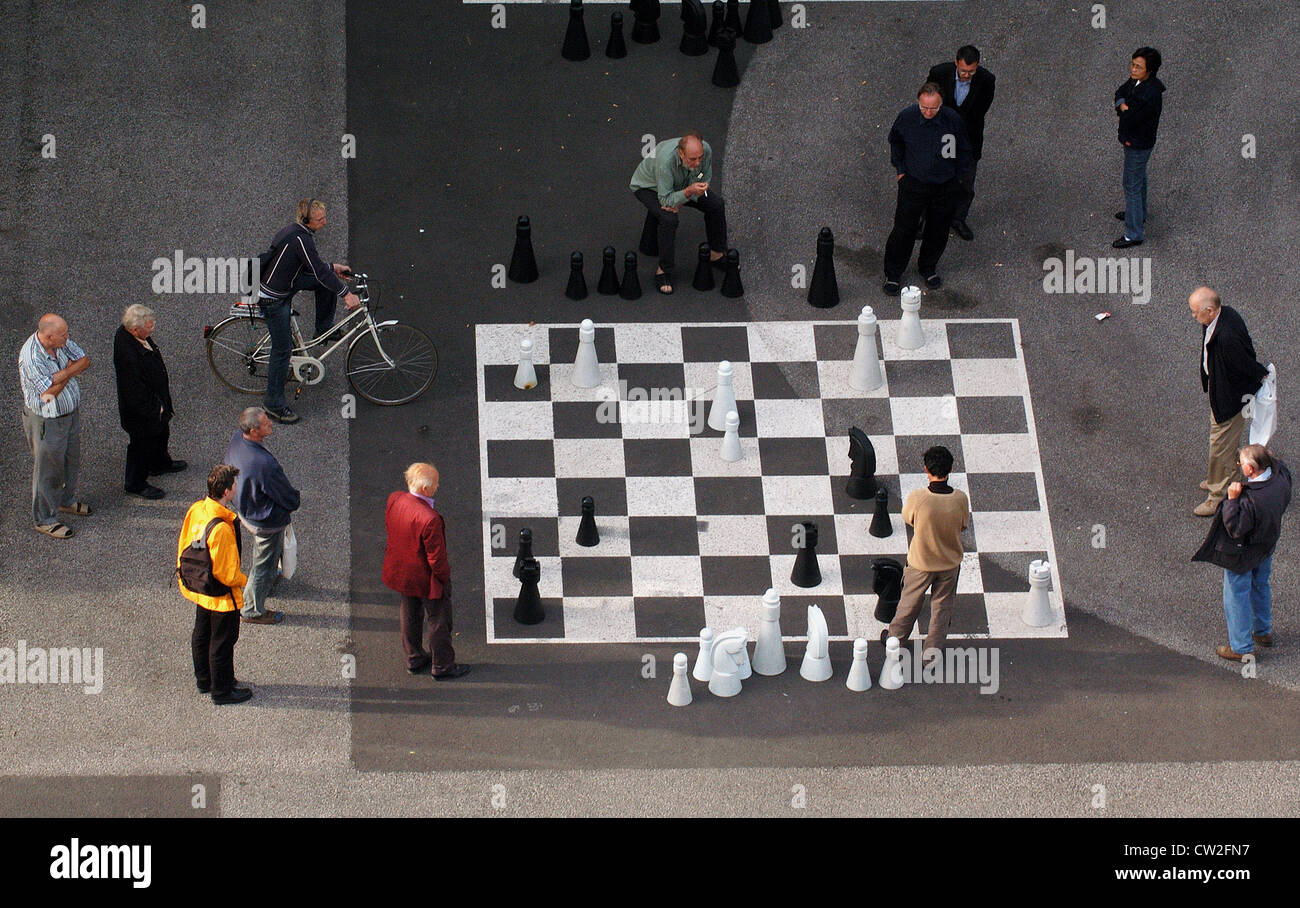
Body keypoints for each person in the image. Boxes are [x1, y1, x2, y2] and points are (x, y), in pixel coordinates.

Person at [255, 198, 361, 424]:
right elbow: (318, 270)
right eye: (320, 219)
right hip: (274, 298)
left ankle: (324, 328)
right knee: (282, 351)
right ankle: (273, 403)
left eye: (324, 217)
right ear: (306, 220)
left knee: (326, 283)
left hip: (287, 282)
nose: (324, 222)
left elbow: (315, 267)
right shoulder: (302, 240)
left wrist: (333, 268)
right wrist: (347, 294)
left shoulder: (294, 231)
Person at [1193, 445, 1291, 661]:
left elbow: (1235, 528)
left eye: (1240, 463)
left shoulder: (1249, 500)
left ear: (1249, 470)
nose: (1239, 466)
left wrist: (1233, 499)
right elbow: (1279, 465)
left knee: (1236, 594)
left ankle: (1241, 647)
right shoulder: (1280, 478)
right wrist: (1267, 457)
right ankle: (1262, 631)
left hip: (1242, 554)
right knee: (1260, 584)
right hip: (1266, 545)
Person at [382, 463, 470, 679]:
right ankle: (442, 665)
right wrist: (444, 579)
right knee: (439, 620)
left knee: (409, 612)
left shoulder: (395, 499)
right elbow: (437, 559)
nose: (437, 487)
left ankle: (414, 657)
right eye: (435, 484)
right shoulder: (430, 519)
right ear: (425, 490)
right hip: (426, 578)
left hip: (402, 571)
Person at [882, 83, 972, 295]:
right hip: (914, 183)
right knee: (904, 229)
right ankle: (893, 274)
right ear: (918, 102)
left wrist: (958, 177)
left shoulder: (953, 120)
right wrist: (901, 170)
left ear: (941, 104)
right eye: (924, 107)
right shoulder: (907, 117)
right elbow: (896, 141)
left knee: (938, 229)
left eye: (933, 108)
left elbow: (965, 150)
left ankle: (928, 267)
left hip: (945, 185)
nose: (928, 112)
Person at [1189, 287, 1269, 517]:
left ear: (1210, 311)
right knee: (1225, 442)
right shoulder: (1225, 316)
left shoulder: (1227, 337)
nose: (1195, 317)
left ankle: (1216, 494)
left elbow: (1243, 363)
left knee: (1219, 447)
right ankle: (1225, 475)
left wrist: (1261, 375)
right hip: (1224, 394)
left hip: (1228, 400)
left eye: (1197, 313)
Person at [883, 446, 971, 652]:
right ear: (951, 468)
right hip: (949, 564)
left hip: (921, 563)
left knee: (909, 605)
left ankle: (895, 641)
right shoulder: (960, 498)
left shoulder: (918, 498)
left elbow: (908, 518)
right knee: (942, 609)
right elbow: (963, 524)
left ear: (926, 469)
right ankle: (932, 653)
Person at [179, 465, 252, 704]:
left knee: (202, 634)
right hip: (221, 596)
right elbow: (227, 574)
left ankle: (204, 680)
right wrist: (246, 580)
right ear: (228, 491)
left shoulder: (197, 509)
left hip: (201, 587)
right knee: (222, 643)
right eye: (234, 485)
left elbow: (184, 542)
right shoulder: (221, 528)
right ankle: (222, 690)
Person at [19, 313, 92, 539]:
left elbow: (85, 361)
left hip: (69, 414)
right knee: (48, 470)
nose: (68, 338)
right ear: (49, 337)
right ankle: (44, 519)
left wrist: (62, 375)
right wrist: (71, 372)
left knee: (71, 461)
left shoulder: (59, 340)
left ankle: (65, 501)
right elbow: (47, 396)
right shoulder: (31, 358)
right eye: (63, 335)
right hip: (47, 420)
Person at [629, 132, 728, 295]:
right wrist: (687, 192)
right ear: (681, 154)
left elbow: (704, 174)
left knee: (716, 205)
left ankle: (716, 254)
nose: (697, 162)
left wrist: (688, 191)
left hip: (685, 185)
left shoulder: (706, 151)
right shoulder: (666, 164)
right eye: (692, 159)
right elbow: (665, 199)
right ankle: (664, 270)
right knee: (669, 220)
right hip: (651, 187)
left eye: (700, 158)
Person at [224, 407, 298, 624]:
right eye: (266, 423)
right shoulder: (264, 464)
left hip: (246, 510)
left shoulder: (238, 439)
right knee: (262, 566)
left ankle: (269, 577)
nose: (271, 424)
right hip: (265, 521)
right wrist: (293, 502)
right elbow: (286, 495)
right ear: (254, 431)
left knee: (264, 557)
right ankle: (251, 609)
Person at [113, 304, 186, 500]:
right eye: (149, 326)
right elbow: (134, 391)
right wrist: (157, 408)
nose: (153, 328)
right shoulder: (128, 355)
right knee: (141, 444)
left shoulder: (132, 335)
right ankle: (135, 482)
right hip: (142, 411)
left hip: (154, 402)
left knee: (162, 433)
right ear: (135, 329)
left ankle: (160, 463)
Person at [927, 45, 995, 241]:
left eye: (971, 71)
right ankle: (926, 219)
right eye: (963, 70)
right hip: (940, 137)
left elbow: (980, 111)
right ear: (956, 63)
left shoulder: (986, 80)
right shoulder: (939, 73)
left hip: (968, 140)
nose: (966, 75)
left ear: (977, 66)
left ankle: (958, 218)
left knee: (965, 184)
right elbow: (929, 100)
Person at [1112, 47, 1165, 248]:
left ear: (1149, 70)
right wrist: (1122, 106)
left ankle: (1134, 233)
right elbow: (1120, 93)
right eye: (1133, 64)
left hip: (1138, 143)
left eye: (1138, 66)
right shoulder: (1137, 83)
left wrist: (1123, 108)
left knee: (1131, 184)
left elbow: (1130, 117)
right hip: (1137, 141)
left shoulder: (1149, 94)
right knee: (1138, 177)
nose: (1133, 69)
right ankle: (1138, 213)